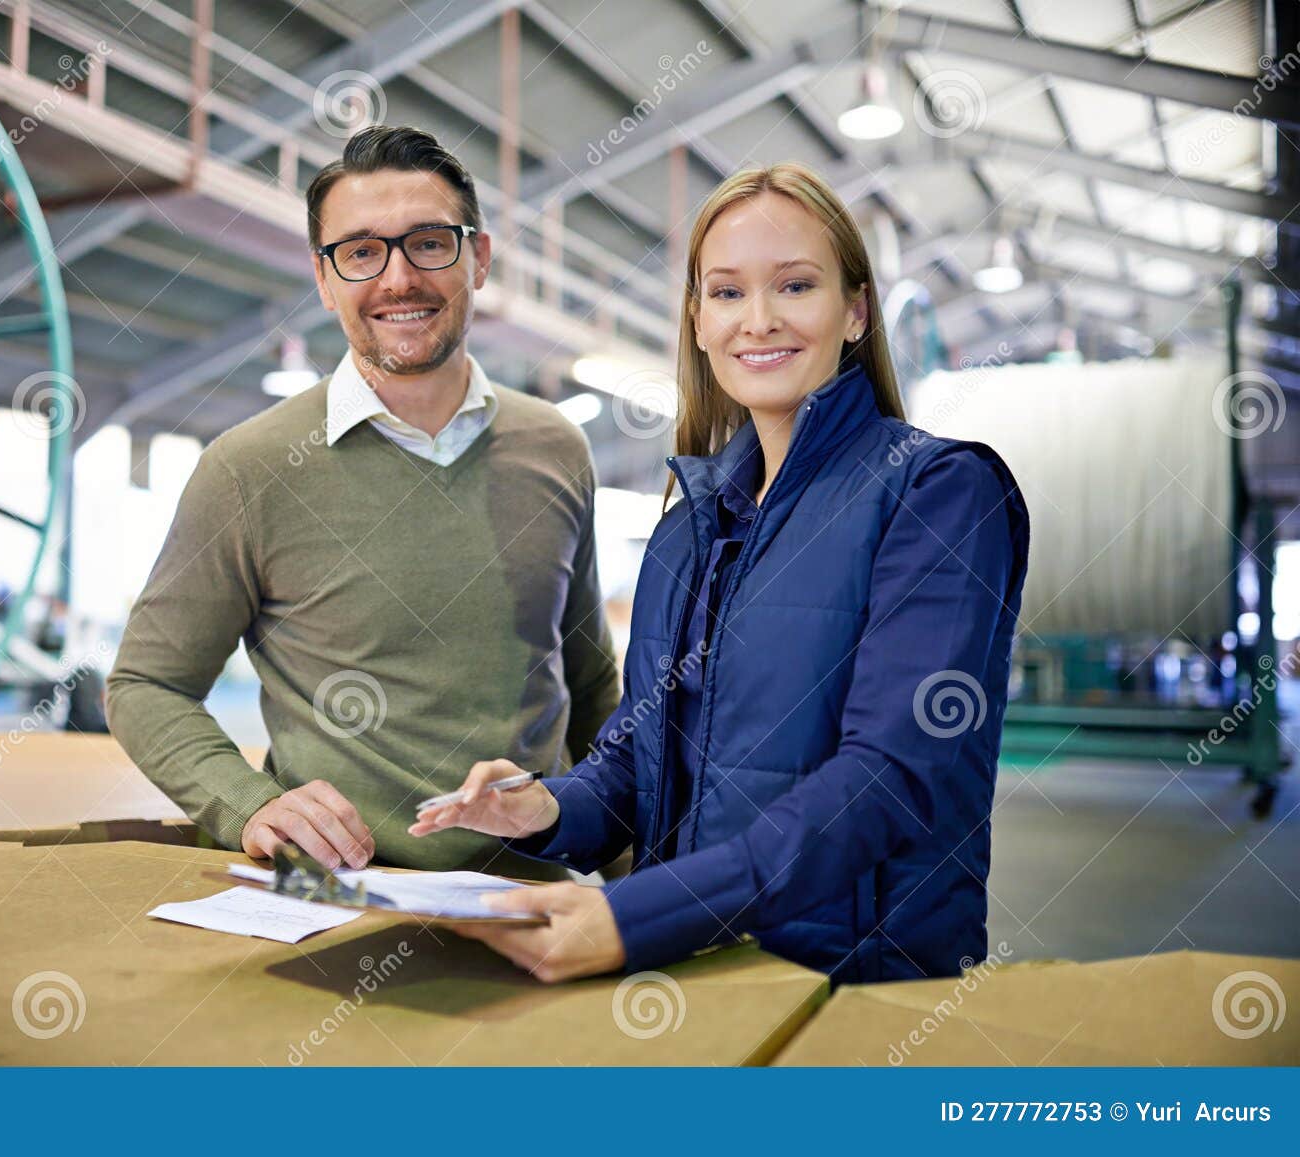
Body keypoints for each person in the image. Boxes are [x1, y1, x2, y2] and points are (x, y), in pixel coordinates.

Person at [412, 162, 1031, 985]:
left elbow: (888, 779)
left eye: (797, 285)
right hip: (695, 972)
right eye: (728, 292)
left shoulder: (939, 493)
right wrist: (549, 806)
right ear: (699, 321)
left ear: (856, 311)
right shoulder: (687, 532)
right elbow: (638, 762)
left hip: (851, 988)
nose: (760, 319)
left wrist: (640, 914)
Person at [107, 126, 621, 877]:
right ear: (324, 278)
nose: (397, 278)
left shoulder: (554, 447)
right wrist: (247, 802)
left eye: (428, 242)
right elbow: (147, 684)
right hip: (339, 895)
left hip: (536, 890)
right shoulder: (250, 469)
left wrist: (626, 846)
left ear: (478, 257)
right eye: (360, 252)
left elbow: (589, 680)